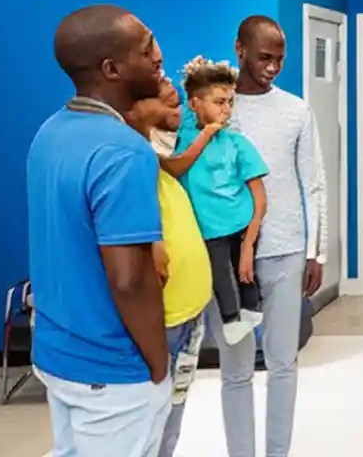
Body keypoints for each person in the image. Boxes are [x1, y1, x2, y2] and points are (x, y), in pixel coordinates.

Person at [27, 4, 169, 456]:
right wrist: (158, 363)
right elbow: (130, 279)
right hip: (112, 373)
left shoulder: (50, 133)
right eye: (147, 48)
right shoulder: (124, 151)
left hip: (57, 355)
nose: (159, 55)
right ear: (112, 69)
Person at [205, 15, 328, 457]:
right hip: (226, 256)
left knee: (283, 363)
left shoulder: (296, 110)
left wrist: (316, 252)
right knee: (235, 370)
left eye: (279, 59)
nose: (273, 67)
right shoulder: (217, 108)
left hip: (286, 251)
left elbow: (313, 184)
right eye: (264, 57)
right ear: (239, 50)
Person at [124, 78, 214, 457]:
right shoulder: (130, 163)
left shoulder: (156, 163)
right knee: (153, 427)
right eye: (166, 102)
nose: (175, 110)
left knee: (170, 423)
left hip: (188, 317)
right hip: (165, 322)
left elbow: (175, 159)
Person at [170, 57, 269, 346]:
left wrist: (249, 243)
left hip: (240, 219)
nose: (226, 109)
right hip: (208, 226)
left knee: (244, 271)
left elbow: (260, 196)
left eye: (230, 102)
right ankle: (230, 318)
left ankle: (251, 307)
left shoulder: (236, 142)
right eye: (219, 102)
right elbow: (183, 105)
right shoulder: (183, 135)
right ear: (195, 104)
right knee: (220, 273)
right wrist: (196, 73)